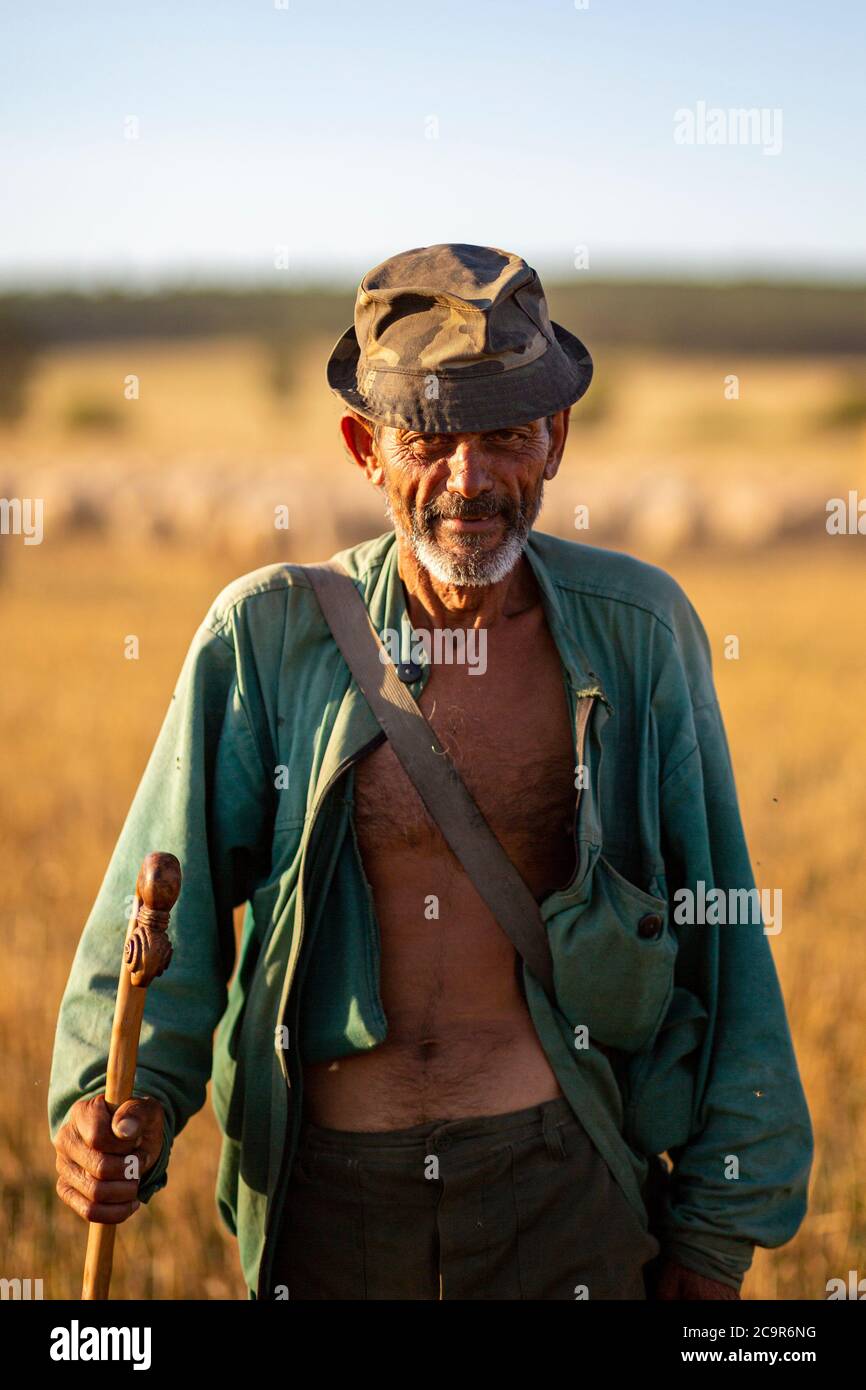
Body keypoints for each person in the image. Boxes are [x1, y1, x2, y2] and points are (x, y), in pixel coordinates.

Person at [50, 243, 812, 1300]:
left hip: (566, 1185)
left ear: (554, 439)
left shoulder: (638, 634)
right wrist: (109, 1102)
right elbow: (153, 922)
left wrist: (716, 1237)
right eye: (429, 438)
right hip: (327, 1209)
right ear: (365, 447)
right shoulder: (265, 638)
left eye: (502, 433)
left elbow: (719, 931)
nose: (469, 480)